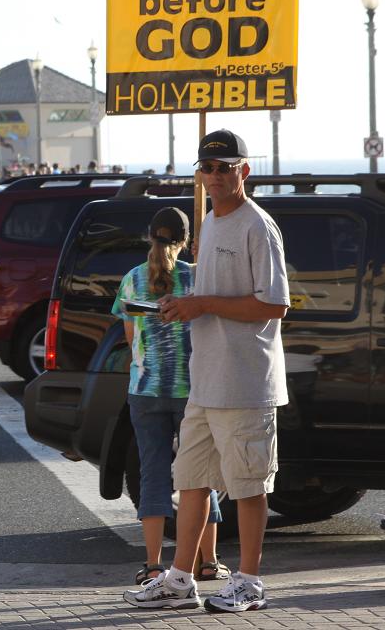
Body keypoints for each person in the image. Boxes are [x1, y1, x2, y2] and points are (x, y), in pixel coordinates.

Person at [126, 129, 289, 614]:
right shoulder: (211, 222)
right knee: (191, 479)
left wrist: (201, 304)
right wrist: (184, 305)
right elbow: (212, 298)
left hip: (246, 382)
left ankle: (250, 582)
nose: (215, 176)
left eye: (225, 167)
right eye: (207, 167)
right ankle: (180, 579)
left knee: (249, 486)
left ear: (245, 170)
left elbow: (275, 305)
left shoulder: (256, 226)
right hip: (207, 380)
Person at [113, 207, 227, 586]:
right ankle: (208, 561)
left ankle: (152, 564)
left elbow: (132, 341)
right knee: (202, 476)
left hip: (144, 390)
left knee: (153, 474)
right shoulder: (196, 278)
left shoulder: (132, 279)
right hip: (192, 391)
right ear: (186, 240)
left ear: (150, 236)